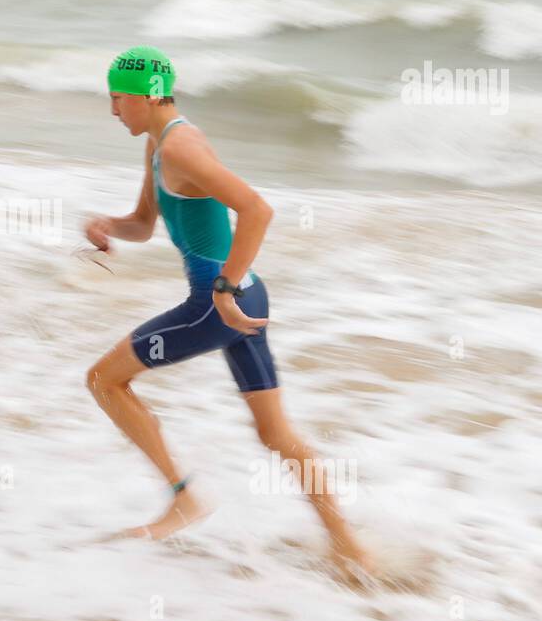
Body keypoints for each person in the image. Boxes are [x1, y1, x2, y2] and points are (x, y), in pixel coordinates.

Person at [84, 45, 373, 577]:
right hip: (249, 298)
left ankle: (183, 499)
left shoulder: (180, 149)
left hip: (220, 305)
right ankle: (351, 551)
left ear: (145, 95)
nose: (112, 110)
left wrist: (222, 288)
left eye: (117, 98)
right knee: (276, 435)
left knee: (104, 380)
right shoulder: (159, 144)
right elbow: (145, 224)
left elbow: (258, 209)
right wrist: (107, 226)